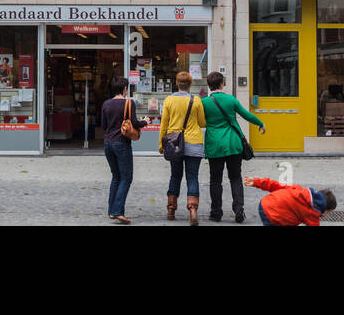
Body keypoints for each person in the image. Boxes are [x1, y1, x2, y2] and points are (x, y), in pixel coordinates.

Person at [202, 70, 265, 223]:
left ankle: (216, 213)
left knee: (215, 180)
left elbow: (198, 121)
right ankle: (239, 210)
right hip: (233, 143)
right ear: (222, 84)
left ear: (209, 86)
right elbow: (246, 114)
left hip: (214, 145)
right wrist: (260, 123)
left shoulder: (204, 102)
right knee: (235, 177)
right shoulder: (231, 100)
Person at [158, 71, 206, 224]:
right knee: (192, 176)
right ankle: (192, 209)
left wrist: (161, 145)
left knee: (175, 175)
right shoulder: (196, 100)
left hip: (174, 144)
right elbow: (202, 122)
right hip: (194, 142)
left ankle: (171, 209)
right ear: (190, 84)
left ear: (177, 83)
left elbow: (163, 125)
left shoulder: (169, 100)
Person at [99, 76, 148, 223]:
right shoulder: (129, 103)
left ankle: (112, 211)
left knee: (116, 176)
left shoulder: (106, 104)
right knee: (126, 177)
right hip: (121, 143)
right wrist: (145, 122)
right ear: (124, 89)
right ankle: (117, 211)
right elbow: (134, 122)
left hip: (108, 143)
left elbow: (104, 125)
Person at [244, 176, 336, 226]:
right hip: (272, 214)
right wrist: (319, 214)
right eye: (328, 212)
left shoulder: (301, 191)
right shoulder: (312, 214)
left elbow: (278, 186)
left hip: (265, 202)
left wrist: (257, 182)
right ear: (325, 208)